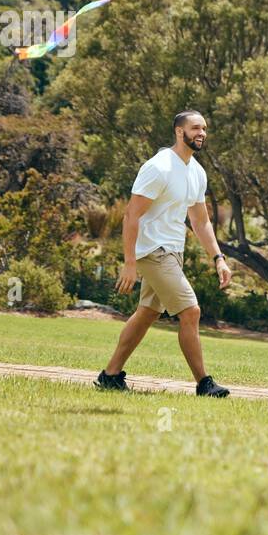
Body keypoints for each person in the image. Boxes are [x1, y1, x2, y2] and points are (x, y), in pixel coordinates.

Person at [95, 110, 233, 397]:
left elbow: (200, 220)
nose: (202, 133)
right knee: (191, 311)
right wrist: (130, 263)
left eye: (204, 129)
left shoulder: (196, 171)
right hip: (152, 251)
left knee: (147, 313)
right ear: (179, 131)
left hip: (173, 251)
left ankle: (110, 376)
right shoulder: (159, 167)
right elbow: (131, 215)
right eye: (195, 128)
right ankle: (204, 384)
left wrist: (218, 258)